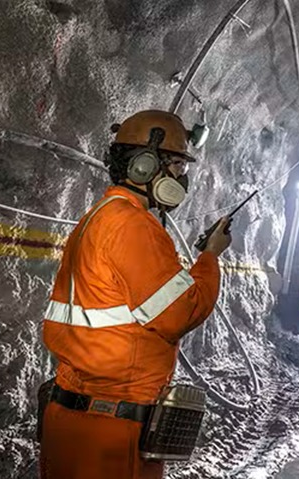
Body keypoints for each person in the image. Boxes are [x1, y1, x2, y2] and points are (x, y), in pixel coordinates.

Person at [39, 110, 232, 479]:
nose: (180, 177)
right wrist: (209, 257)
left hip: (68, 418)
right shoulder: (132, 225)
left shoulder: (97, 217)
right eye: (175, 164)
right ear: (145, 166)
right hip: (112, 428)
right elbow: (180, 313)